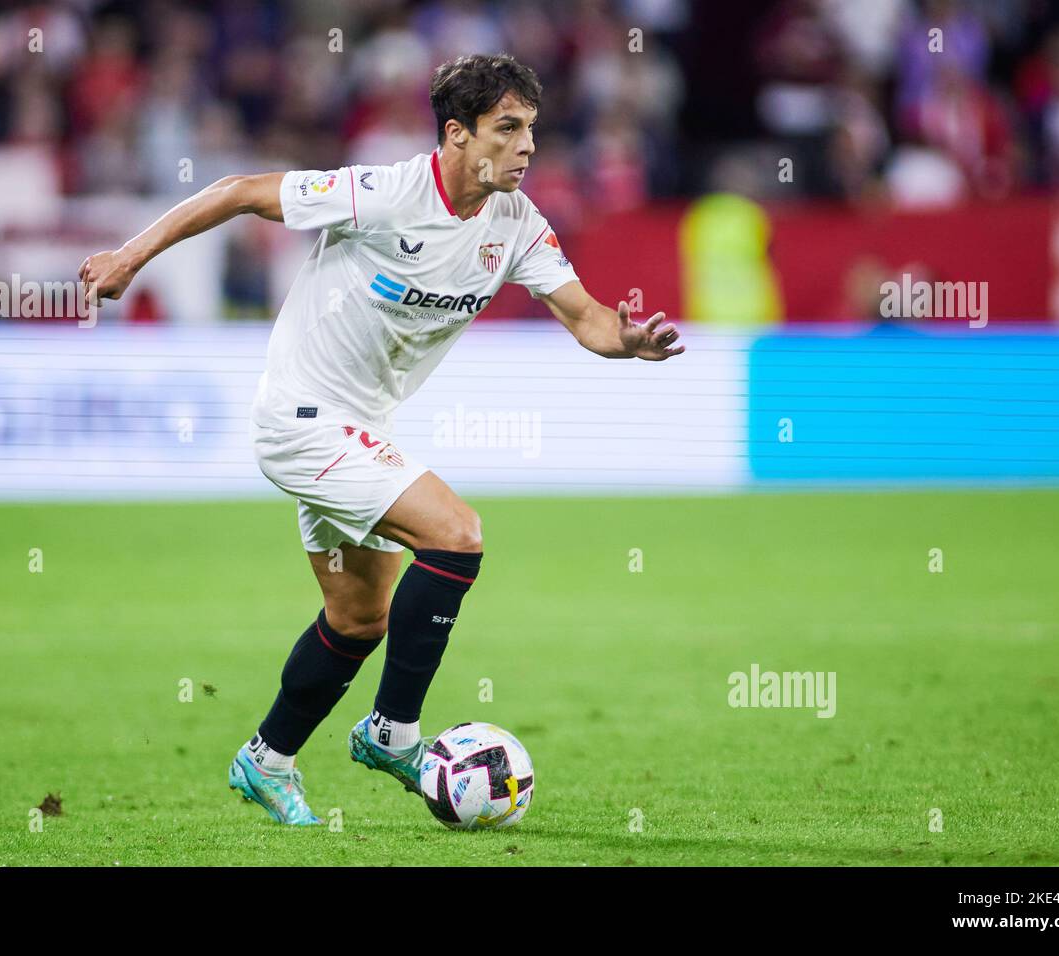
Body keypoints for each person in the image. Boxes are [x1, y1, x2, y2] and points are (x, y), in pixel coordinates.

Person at [78, 53, 684, 825]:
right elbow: (238, 192)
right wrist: (130, 257)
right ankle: (393, 732)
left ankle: (266, 761)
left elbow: (589, 317)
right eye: (509, 127)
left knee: (360, 617)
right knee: (456, 535)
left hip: (362, 428)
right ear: (458, 135)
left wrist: (629, 341)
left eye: (532, 127)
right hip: (302, 418)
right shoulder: (386, 193)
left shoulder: (518, 225)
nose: (528, 145)